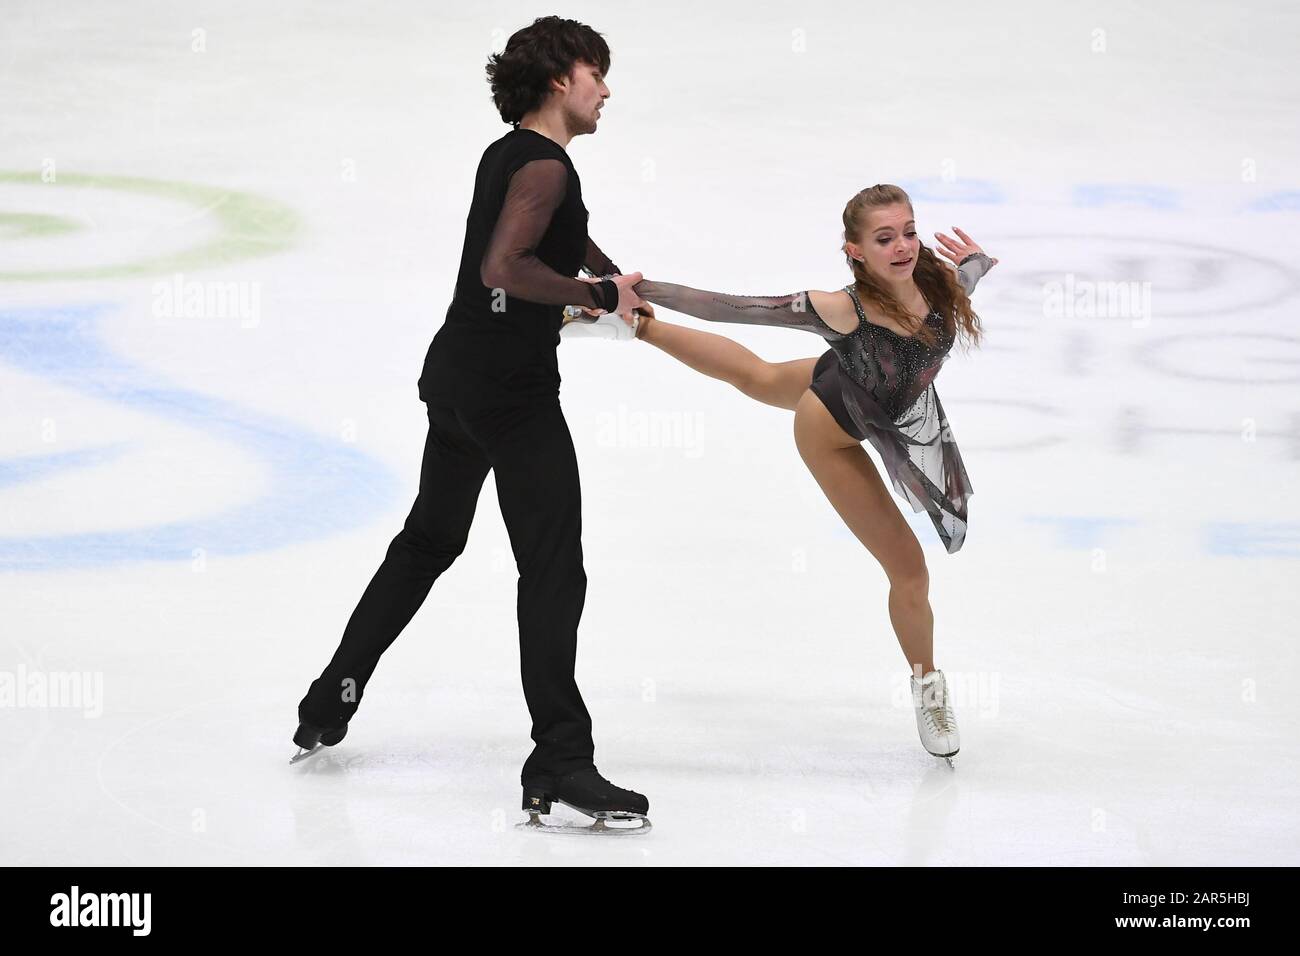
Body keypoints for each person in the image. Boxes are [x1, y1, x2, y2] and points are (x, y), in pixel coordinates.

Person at [293, 16, 650, 830]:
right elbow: (506, 267)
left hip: (456, 382)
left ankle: (329, 697)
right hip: (511, 397)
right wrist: (598, 298)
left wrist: (604, 273)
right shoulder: (548, 167)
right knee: (554, 569)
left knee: (429, 542)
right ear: (561, 77)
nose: (606, 90)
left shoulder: (510, 155)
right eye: (597, 72)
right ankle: (561, 754)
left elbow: (546, 241)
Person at [597, 184, 997, 766]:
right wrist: (637, 288)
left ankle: (629, 328)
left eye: (909, 232)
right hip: (832, 423)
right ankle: (928, 687)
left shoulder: (937, 283)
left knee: (758, 378)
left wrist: (978, 264)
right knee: (908, 567)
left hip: (861, 384)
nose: (903, 247)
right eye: (884, 239)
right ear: (854, 251)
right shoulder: (839, 308)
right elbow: (732, 308)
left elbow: (964, 283)